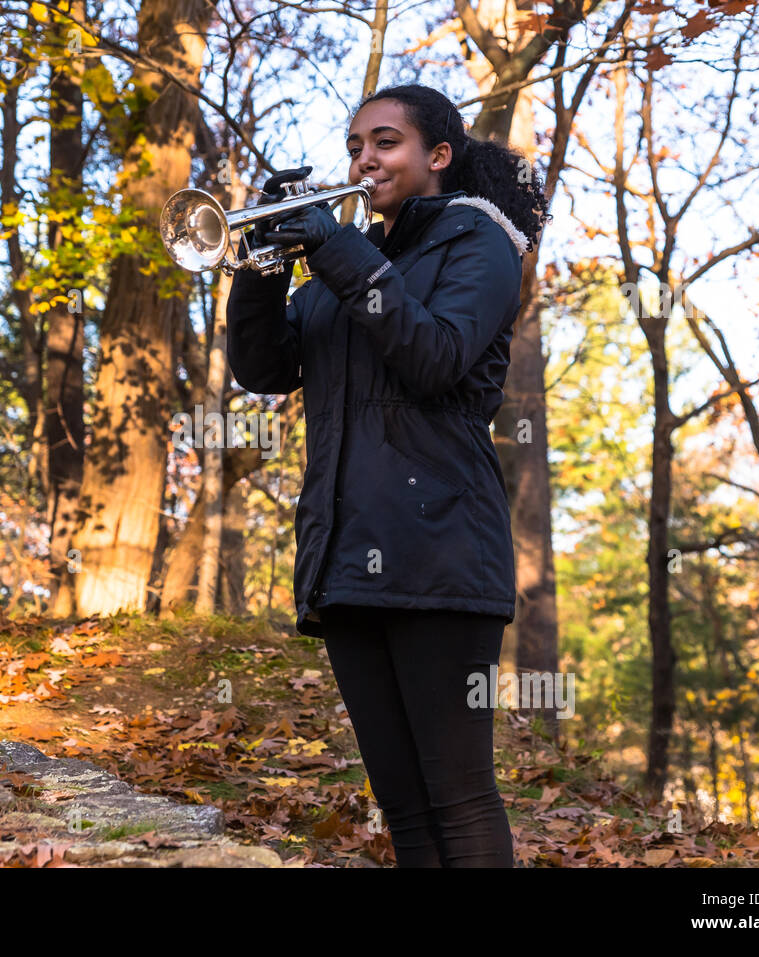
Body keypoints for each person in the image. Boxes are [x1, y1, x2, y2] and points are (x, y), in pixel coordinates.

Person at [225, 84, 551, 867]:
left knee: (461, 800)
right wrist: (264, 261)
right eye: (355, 147)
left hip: (440, 551)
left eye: (385, 142)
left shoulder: (480, 244)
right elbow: (262, 366)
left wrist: (336, 249)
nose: (364, 159)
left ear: (437, 156)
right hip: (348, 556)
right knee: (404, 808)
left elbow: (435, 356)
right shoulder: (353, 264)